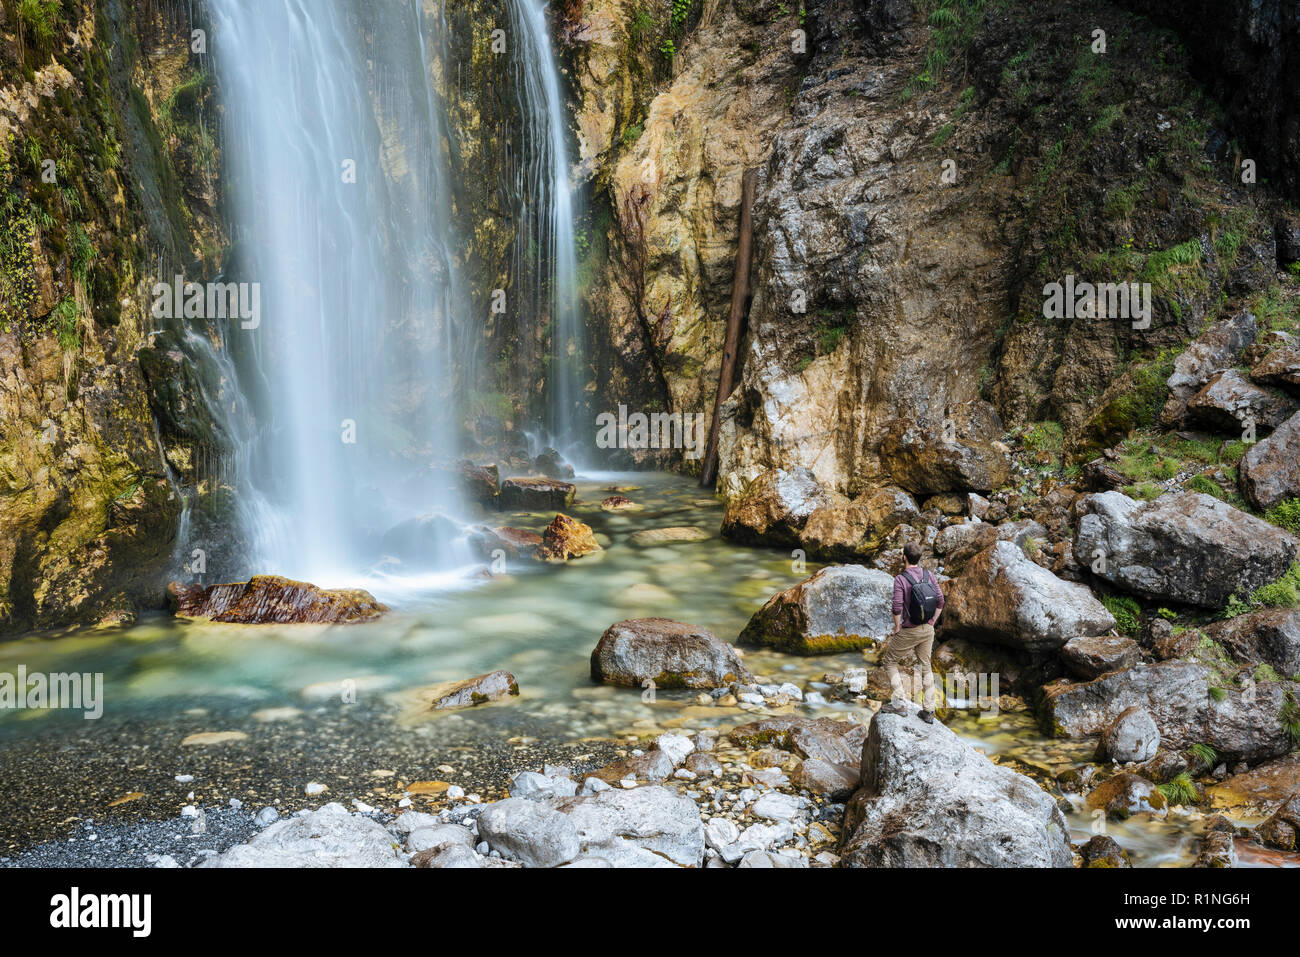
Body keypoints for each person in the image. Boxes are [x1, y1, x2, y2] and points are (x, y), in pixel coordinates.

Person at [878, 541, 943, 723]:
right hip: (927, 629)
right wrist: (932, 621)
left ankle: (899, 703)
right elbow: (940, 601)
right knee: (925, 665)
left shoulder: (901, 579)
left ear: (904, 557)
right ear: (919, 557)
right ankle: (929, 710)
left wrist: (897, 627)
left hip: (910, 630)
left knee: (890, 662)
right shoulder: (929, 575)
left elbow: (897, 607)